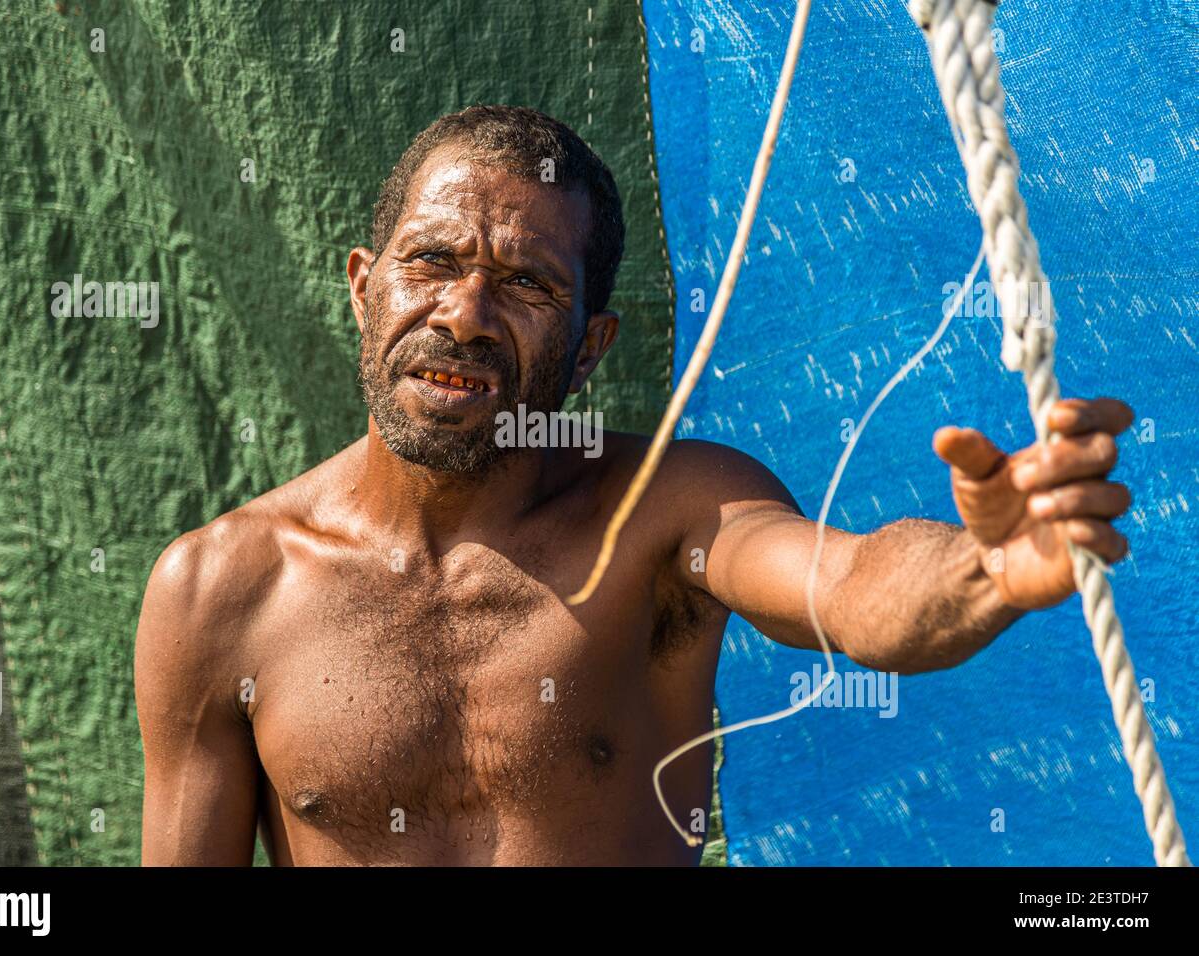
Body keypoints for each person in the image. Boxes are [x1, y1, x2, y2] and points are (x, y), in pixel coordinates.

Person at [135, 105, 1134, 865]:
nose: (465, 312)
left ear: (590, 347)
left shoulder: (670, 511)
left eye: (528, 283)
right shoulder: (220, 588)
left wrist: (987, 567)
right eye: (429, 261)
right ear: (364, 286)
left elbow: (851, 588)